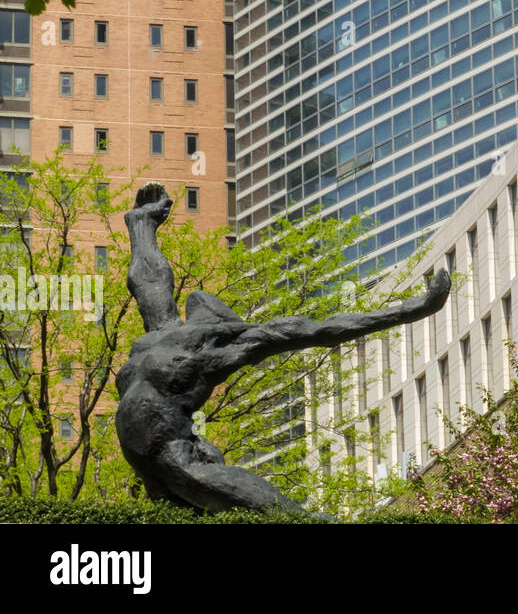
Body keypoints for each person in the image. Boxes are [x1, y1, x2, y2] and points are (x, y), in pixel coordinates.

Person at [115, 182, 451, 513]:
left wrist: (142, 225)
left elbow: (148, 277)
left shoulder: (160, 332)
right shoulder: (209, 351)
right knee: (216, 486)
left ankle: (297, 516)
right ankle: (299, 517)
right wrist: (411, 309)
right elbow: (323, 330)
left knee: (198, 489)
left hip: (149, 451)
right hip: (159, 452)